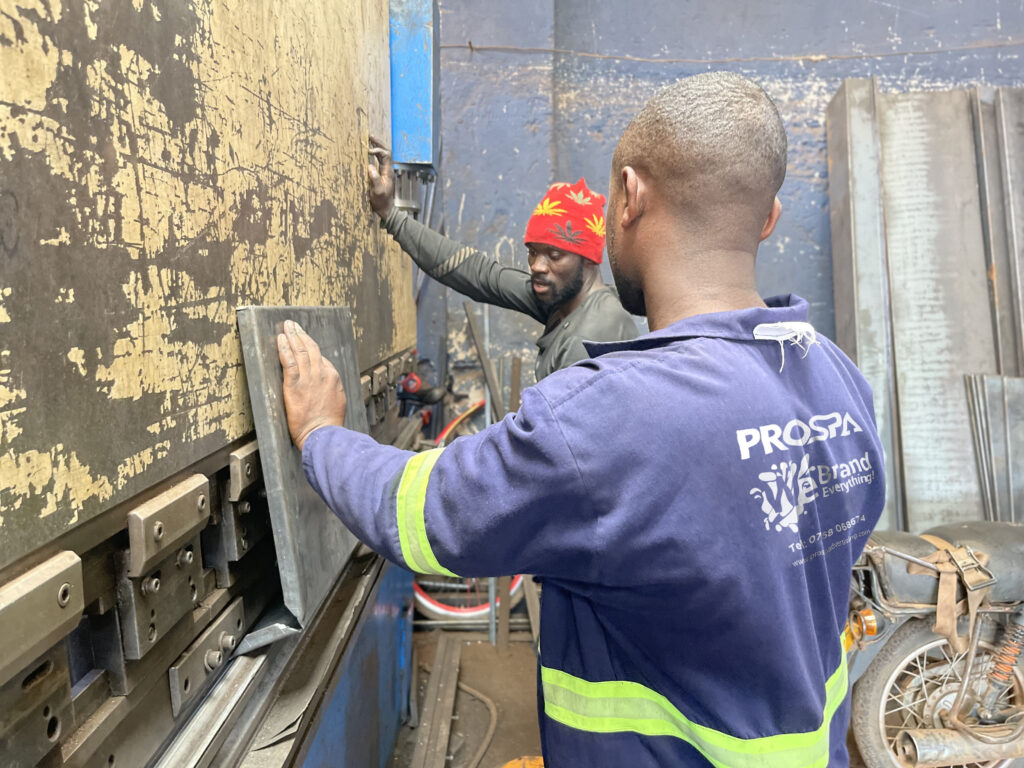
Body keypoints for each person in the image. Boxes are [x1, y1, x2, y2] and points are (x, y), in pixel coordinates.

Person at [279, 72, 885, 766]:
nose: (537, 266)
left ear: (628, 198)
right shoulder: (837, 377)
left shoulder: (611, 414)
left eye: (553, 251)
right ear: (771, 217)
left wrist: (323, 433)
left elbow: (427, 516)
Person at [367, 138, 638, 380]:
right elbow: (479, 274)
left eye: (555, 255)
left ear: (589, 259)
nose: (538, 266)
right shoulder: (564, 297)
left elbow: (560, 433)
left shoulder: (592, 334)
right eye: (533, 251)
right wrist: (390, 214)